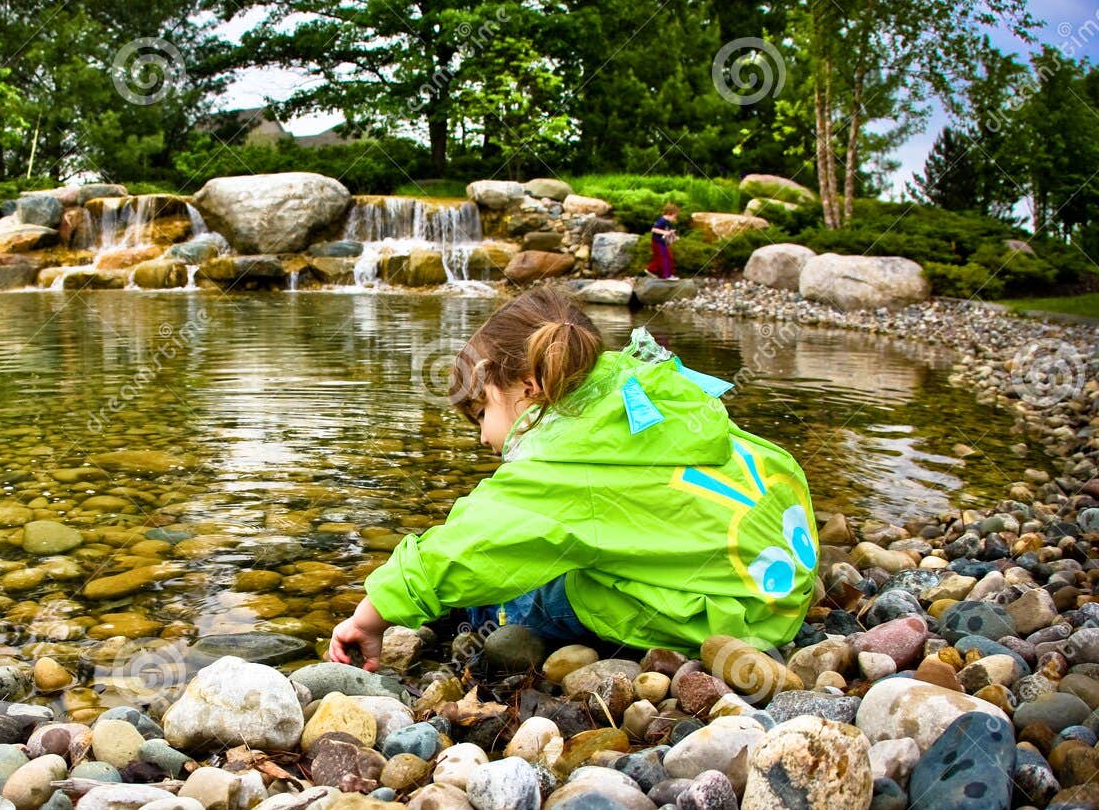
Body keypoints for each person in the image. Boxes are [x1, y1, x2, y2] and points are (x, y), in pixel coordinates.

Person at [328, 285, 818, 670]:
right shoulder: (647, 396)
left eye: (481, 414)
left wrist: (371, 615)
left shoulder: (560, 466)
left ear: (529, 389)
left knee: (540, 585)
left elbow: (469, 543)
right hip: (783, 581)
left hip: (726, 618)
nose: (482, 439)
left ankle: (485, 616)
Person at [646, 202, 679, 279]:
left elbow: (670, 231)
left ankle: (651, 270)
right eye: (674, 217)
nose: (675, 219)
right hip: (658, 243)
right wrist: (665, 232)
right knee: (665, 258)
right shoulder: (662, 220)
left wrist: (673, 236)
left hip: (662, 243)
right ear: (669, 213)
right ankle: (667, 275)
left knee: (666, 257)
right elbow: (654, 229)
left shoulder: (668, 222)